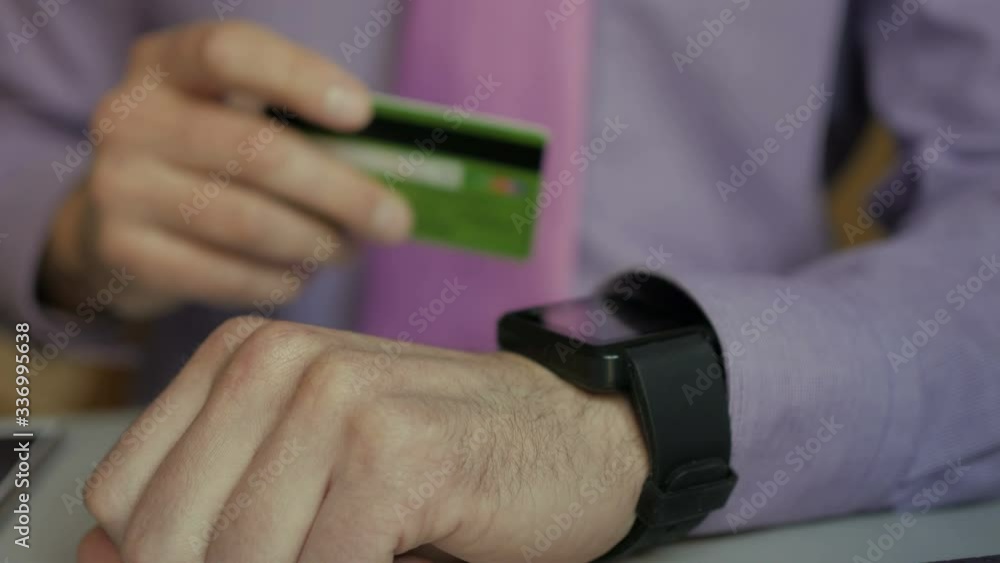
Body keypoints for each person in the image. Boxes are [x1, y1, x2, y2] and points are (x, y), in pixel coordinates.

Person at [1, 1, 998, 561]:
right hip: (196, 499)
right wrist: (70, 224)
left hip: (739, 507)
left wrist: (647, 414)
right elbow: (22, 127)